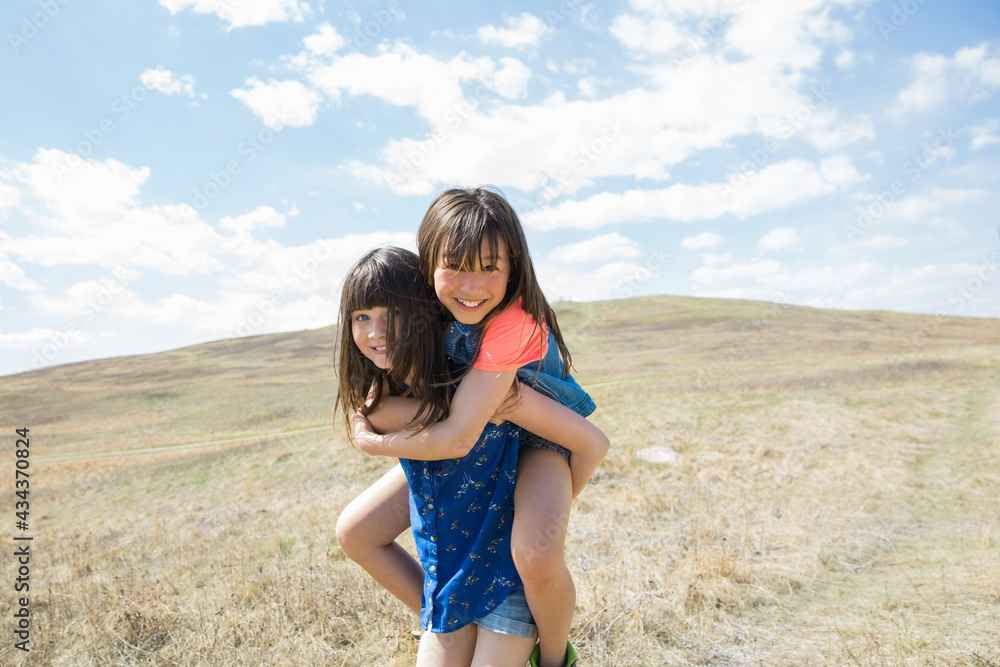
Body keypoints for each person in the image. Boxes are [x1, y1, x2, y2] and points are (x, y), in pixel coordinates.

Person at [351, 187, 609, 667]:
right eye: (455, 265)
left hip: (537, 442)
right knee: (357, 530)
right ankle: (449, 618)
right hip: (478, 439)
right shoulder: (431, 311)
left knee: (533, 554)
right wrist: (371, 408)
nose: (471, 285)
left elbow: (458, 435)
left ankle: (553, 658)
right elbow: (400, 394)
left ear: (514, 269)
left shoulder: (513, 322)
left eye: (489, 266)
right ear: (429, 263)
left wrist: (374, 439)